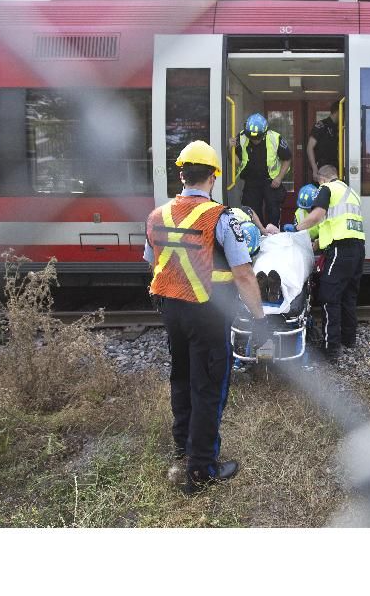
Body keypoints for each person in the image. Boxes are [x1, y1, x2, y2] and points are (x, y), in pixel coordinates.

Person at [143, 140, 272, 495]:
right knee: (209, 386)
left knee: (181, 377)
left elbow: (151, 261)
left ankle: (183, 445)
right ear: (213, 177)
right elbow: (244, 273)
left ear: (181, 173)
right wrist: (259, 318)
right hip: (209, 313)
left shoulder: (157, 216)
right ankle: (201, 470)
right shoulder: (221, 216)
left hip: (171, 311)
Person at [293, 164, 365, 364]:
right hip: (358, 249)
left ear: (321, 179)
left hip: (340, 250)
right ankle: (348, 340)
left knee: (328, 297)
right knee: (348, 296)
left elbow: (316, 216)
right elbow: (334, 225)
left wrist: (296, 228)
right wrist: (316, 244)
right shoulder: (351, 192)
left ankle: (331, 349)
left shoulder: (327, 189)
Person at [232, 113, 292, 228]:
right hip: (251, 181)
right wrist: (231, 148)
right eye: (251, 137)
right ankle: (256, 236)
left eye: (257, 137)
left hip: (271, 181)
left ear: (264, 132)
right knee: (250, 211)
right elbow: (236, 162)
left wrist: (279, 178)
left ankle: (273, 236)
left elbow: (287, 158)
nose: (254, 140)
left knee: (273, 211)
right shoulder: (241, 137)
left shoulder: (275, 138)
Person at [306, 108, 340, 181]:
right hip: (323, 166)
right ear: (338, 111)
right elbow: (310, 147)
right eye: (344, 113)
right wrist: (314, 168)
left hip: (335, 165)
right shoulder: (321, 125)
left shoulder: (338, 128)